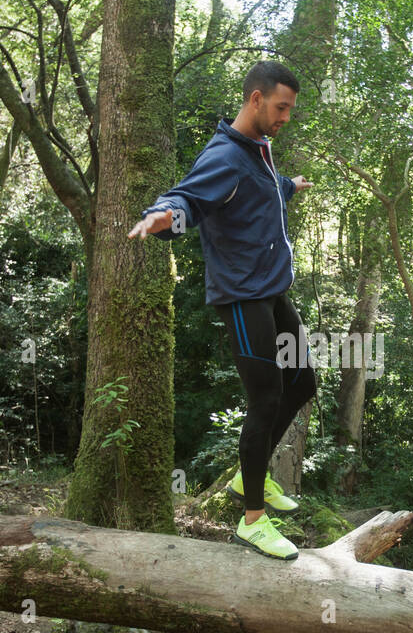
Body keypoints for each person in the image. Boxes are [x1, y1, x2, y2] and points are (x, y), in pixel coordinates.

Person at [126, 61, 315, 561]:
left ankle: (245, 476)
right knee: (267, 397)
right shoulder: (225, 155)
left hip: (272, 291)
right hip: (243, 296)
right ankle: (253, 520)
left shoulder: (259, 152)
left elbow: (258, 195)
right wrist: (162, 218)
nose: (285, 118)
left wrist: (289, 186)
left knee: (304, 382)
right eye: (280, 108)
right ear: (255, 99)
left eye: (290, 110)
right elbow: (189, 199)